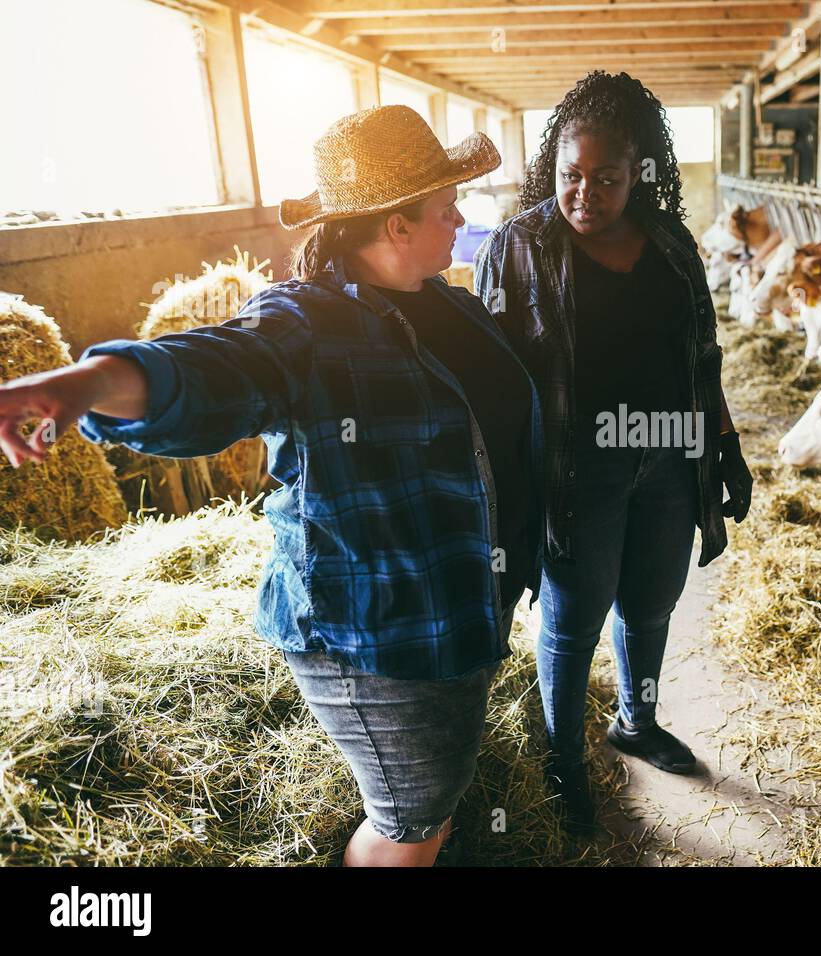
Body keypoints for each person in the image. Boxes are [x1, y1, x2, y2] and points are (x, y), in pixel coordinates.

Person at [0, 105, 542, 867]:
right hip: (379, 633)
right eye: (445, 203)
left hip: (458, 606)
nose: (460, 216)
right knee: (408, 820)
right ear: (394, 224)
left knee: (433, 798)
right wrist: (88, 384)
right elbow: (213, 368)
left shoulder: (442, 300)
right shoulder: (306, 325)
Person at [475, 71, 753, 832]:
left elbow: (702, 355)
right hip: (576, 472)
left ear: (640, 174)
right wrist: (505, 489)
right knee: (571, 620)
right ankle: (564, 761)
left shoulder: (669, 245)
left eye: (606, 178)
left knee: (651, 604)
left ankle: (637, 719)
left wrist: (724, 447)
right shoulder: (521, 247)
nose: (586, 195)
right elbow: (493, 376)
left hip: (668, 459)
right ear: (553, 170)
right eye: (571, 176)